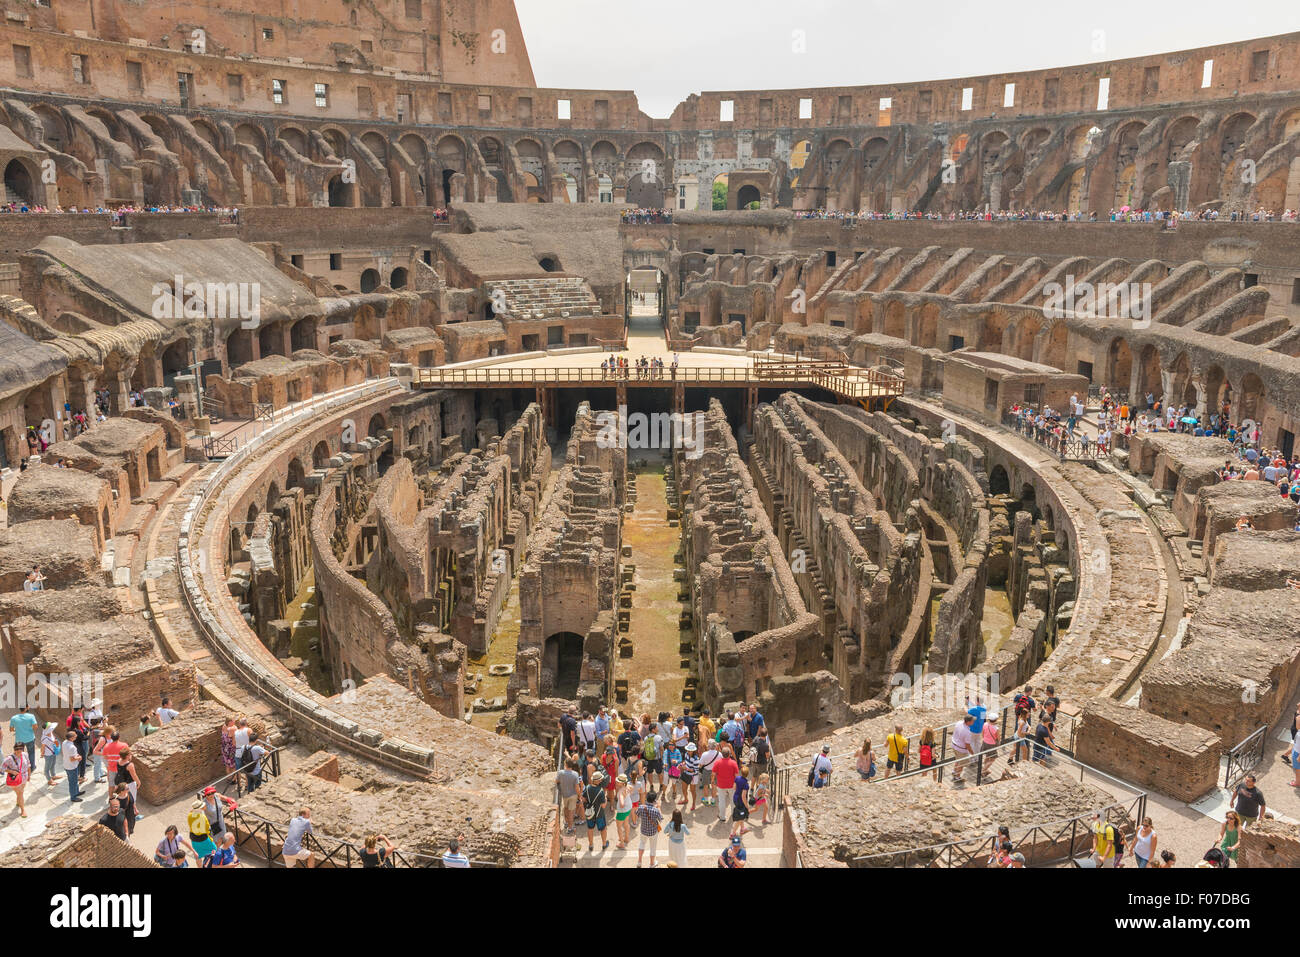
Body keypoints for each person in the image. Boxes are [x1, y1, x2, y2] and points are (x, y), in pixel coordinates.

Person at [581, 771, 610, 852]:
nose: (601, 781)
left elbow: (583, 799)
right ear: (597, 781)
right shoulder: (601, 791)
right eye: (600, 779)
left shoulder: (587, 788)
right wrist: (606, 798)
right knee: (602, 829)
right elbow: (603, 805)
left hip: (590, 813)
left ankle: (591, 845)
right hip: (599, 814)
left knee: (590, 828)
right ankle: (604, 844)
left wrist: (588, 803)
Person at [635, 789, 663, 867]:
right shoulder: (656, 810)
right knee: (653, 848)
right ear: (654, 800)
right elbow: (661, 819)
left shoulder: (641, 807)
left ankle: (639, 861)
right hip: (653, 832)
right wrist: (659, 807)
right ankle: (651, 863)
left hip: (643, 830)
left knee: (642, 844)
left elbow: (636, 815)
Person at [712, 746, 739, 821]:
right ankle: (734, 815)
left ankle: (722, 816)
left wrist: (712, 781)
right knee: (733, 800)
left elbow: (713, 773)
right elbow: (737, 775)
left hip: (721, 784)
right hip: (731, 784)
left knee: (722, 800)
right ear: (730, 754)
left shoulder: (717, 762)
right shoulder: (733, 763)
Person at [3, 742, 30, 817]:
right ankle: (23, 809)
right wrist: (12, 771)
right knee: (20, 793)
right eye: (16, 749)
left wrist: (29, 775)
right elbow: (2, 768)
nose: (18, 750)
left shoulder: (25, 755)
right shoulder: (9, 758)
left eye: (20, 748)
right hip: (15, 779)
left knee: (20, 793)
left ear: (23, 748)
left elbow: (28, 765)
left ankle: (18, 802)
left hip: (24, 777)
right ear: (14, 749)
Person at [9, 707, 37, 772]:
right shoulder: (31, 716)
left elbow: (11, 729)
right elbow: (35, 727)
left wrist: (18, 729)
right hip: (30, 738)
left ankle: (22, 768)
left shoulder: (14, 718)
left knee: (20, 754)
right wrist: (29, 729)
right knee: (31, 753)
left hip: (19, 740)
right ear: (26, 708)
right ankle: (32, 767)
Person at [556, 757, 580, 832]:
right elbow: (577, 787)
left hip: (564, 794)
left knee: (566, 809)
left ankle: (566, 822)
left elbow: (556, 781)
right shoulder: (575, 774)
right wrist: (579, 796)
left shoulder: (560, 773)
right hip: (573, 795)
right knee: (571, 812)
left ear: (565, 764)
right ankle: (570, 828)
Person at [61, 730, 83, 802]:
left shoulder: (64, 742)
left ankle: (76, 792)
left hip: (66, 765)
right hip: (72, 766)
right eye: (75, 736)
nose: (76, 736)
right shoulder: (72, 747)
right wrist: (79, 757)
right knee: (73, 782)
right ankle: (73, 797)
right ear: (71, 738)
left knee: (74, 780)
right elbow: (72, 759)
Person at [613, 773, 633, 849]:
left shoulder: (621, 791)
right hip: (628, 808)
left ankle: (622, 843)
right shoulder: (627, 786)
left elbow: (621, 803)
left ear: (621, 783)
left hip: (622, 811)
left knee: (619, 827)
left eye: (618, 782)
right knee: (626, 823)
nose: (616, 782)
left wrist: (621, 803)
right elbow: (632, 788)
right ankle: (626, 838)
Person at [40, 722, 60, 786]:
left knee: (53, 764)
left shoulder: (50, 732)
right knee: (47, 769)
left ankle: (53, 775)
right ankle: (49, 780)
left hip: (53, 752)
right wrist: (42, 754)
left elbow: (53, 738)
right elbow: (42, 747)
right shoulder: (44, 738)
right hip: (48, 754)